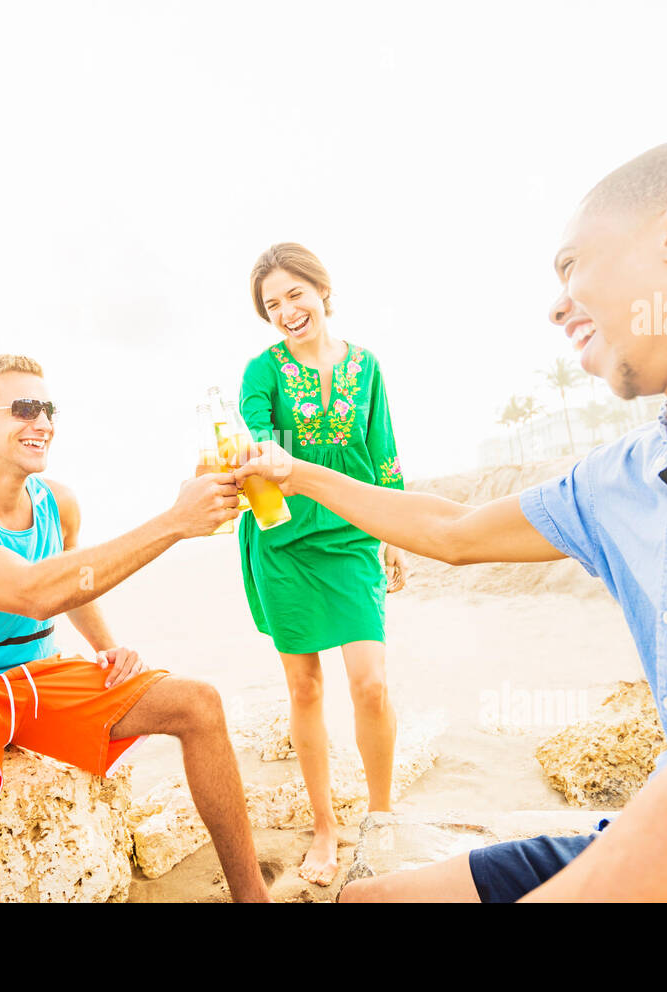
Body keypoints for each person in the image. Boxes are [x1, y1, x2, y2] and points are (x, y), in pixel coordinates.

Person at [236, 137, 667, 902]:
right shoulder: (620, 477)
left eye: (572, 265)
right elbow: (452, 531)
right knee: (370, 900)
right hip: (661, 840)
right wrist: (298, 471)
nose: (555, 303)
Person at [0, 353, 271, 902]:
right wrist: (173, 522)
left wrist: (107, 646)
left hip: (37, 676)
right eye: (24, 408)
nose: (42, 422)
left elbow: (69, 577)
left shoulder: (57, 501)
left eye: (48, 408)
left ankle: (252, 897)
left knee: (199, 702)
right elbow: (34, 592)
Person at [237, 243, 410, 886]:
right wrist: (263, 450)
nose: (286, 310)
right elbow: (258, 436)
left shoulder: (368, 367)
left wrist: (391, 531)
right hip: (283, 536)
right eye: (272, 303)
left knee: (371, 682)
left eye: (294, 294)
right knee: (305, 686)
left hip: (355, 534)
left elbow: (382, 448)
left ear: (321, 290)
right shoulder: (263, 369)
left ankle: (382, 818)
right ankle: (325, 827)